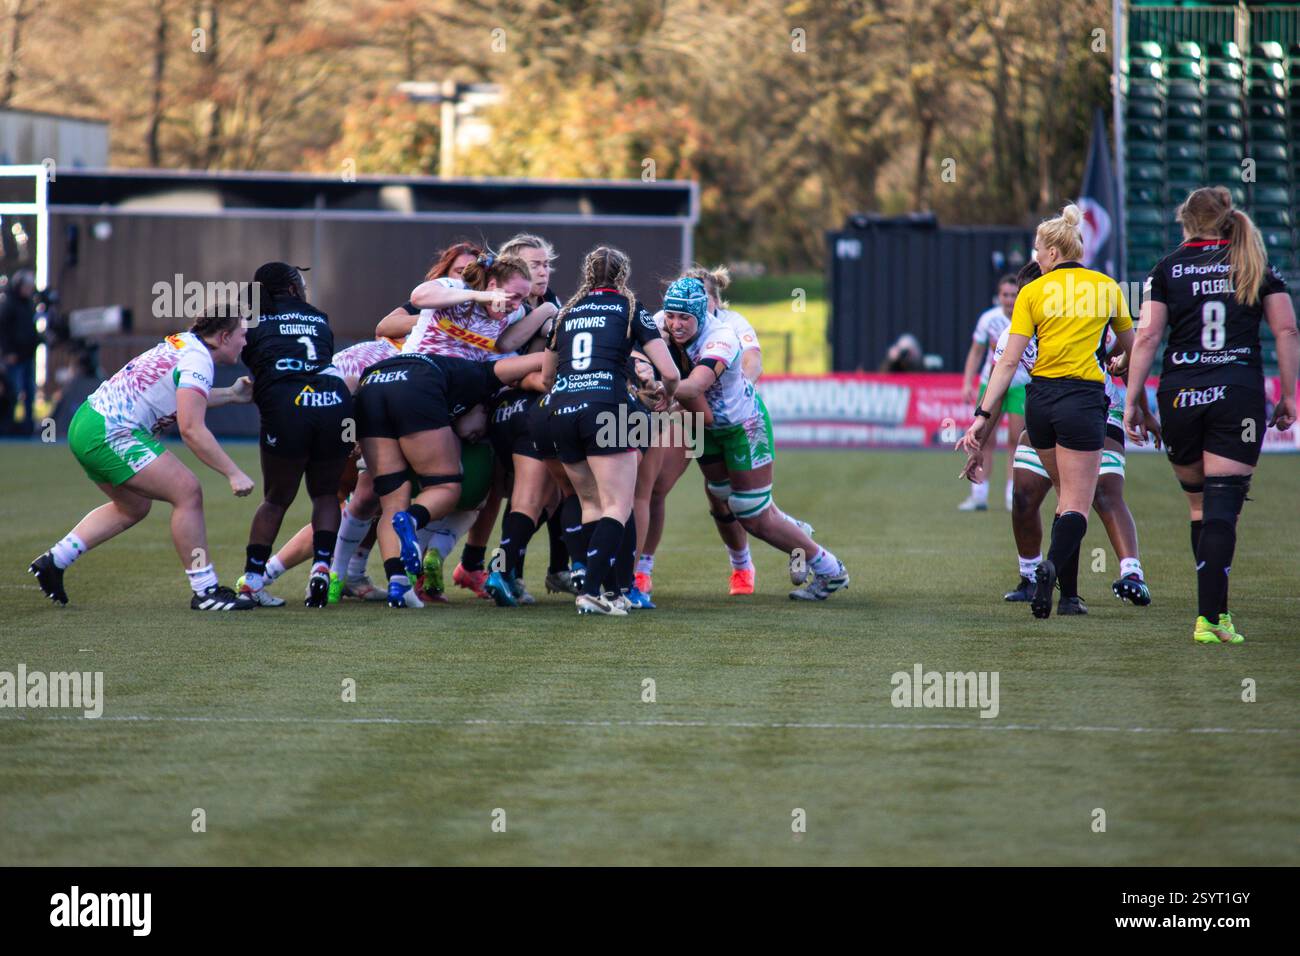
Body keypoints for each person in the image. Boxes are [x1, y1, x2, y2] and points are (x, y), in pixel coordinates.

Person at [1123, 186, 1297, 644]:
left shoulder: (1167, 268)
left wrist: (1132, 400)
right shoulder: (1255, 264)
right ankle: (1211, 618)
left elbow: (1146, 338)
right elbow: (1287, 329)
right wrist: (1289, 395)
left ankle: (1211, 617)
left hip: (1180, 395)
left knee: (1199, 505)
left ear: (1186, 223)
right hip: (1237, 394)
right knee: (1223, 507)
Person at [958, 203, 1134, 619]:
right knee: (1075, 502)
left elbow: (1004, 364)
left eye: (1037, 248)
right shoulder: (1107, 286)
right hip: (1084, 401)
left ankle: (1064, 592)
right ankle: (1050, 571)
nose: (1034, 255)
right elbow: (1135, 346)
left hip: (1040, 403)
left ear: (1053, 252)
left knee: (1058, 498)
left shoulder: (1032, 293)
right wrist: (1126, 367)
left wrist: (980, 419)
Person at [29, 312, 256, 610]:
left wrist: (230, 394)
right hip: (109, 430)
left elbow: (186, 395)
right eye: (242, 334)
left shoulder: (186, 344)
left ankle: (54, 561)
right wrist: (233, 472)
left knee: (133, 506)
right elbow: (191, 428)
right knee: (187, 491)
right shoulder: (198, 360)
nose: (245, 341)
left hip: (88, 421)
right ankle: (206, 591)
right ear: (224, 337)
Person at [663, 276, 849, 601]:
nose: (675, 324)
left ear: (703, 313)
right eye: (671, 316)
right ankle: (794, 529)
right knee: (721, 494)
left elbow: (693, 387)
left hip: (743, 425)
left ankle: (830, 569)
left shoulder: (722, 335)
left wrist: (651, 388)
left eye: (684, 318)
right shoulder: (661, 323)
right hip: (702, 425)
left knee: (751, 512)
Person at [540, 246, 679, 616]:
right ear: (623, 276)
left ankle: (610, 591)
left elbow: (545, 377)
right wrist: (668, 395)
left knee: (591, 505)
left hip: (562, 410)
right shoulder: (631, 309)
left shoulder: (566, 313)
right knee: (618, 504)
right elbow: (670, 372)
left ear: (587, 275)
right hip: (606, 408)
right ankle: (592, 593)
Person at [354, 349, 544, 608]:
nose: (475, 436)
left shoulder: (453, 374)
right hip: (418, 380)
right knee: (445, 487)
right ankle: (412, 519)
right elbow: (538, 359)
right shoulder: (479, 375)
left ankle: (398, 584)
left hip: (371, 382)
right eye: (482, 425)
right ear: (481, 406)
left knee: (391, 502)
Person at [236, 263, 354, 609]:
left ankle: (253, 580)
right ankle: (321, 567)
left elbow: (250, 356)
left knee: (276, 498)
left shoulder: (252, 320)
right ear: (290, 288)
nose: (305, 288)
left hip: (289, 404)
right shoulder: (319, 317)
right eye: (301, 283)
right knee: (326, 493)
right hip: (334, 400)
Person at [958, 276, 1022, 511]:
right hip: (991, 383)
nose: (1010, 300)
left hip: (1020, 385)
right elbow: (976, 352)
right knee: (984, 438)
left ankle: (1012, 496)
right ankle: (979, 494)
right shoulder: (989, 319)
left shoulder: (1028, 318)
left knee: (1017, 440)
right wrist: (967, 382)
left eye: (1014, 295)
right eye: (1005, 295)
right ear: (999, 296)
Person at [0, 269, 39, 435]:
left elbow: (30, 330)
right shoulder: (8, 304)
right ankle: (7, 426)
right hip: (14, 358)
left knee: (30, 392)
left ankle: (28, 427)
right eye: (27, 286)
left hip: (27, 356)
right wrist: (8, 353)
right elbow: (3, 331)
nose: (29, 290)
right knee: (13, 392)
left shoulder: (29, 304)